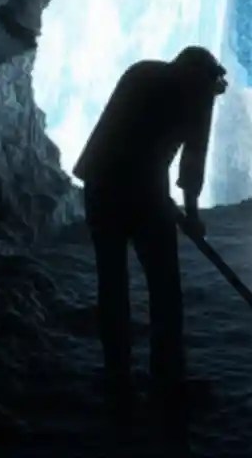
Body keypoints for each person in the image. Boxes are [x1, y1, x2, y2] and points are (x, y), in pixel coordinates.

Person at [72, 45, 228, 419]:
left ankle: (117, 375)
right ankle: (167, 379)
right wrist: (191, 214)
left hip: (101, 186)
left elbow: (115, 134)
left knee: (112, 283)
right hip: (142, 194)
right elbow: (193, 161)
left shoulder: (141, 72)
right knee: (164, 288)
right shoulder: (198, 93)